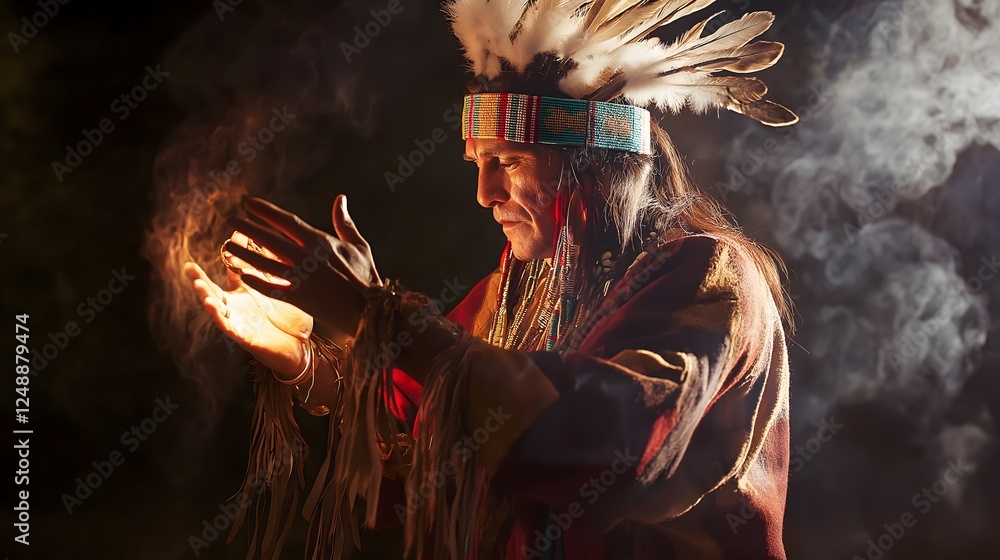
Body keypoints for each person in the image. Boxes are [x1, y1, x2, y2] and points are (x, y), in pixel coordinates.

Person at [184, 1, 799, 558]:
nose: (485, 193)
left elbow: (610, 440)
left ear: (597, 167)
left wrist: (379, 314)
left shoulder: (707, 276)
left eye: (509, 161)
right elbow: (426, 418)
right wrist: (304, 358)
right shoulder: (514, 290)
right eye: (478, 164)